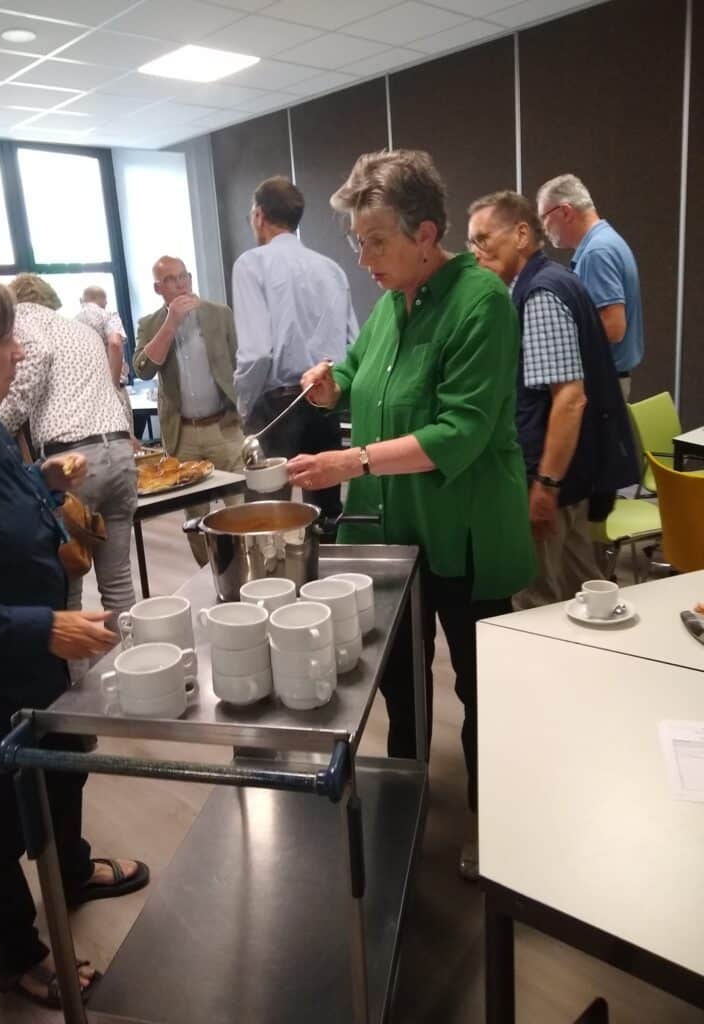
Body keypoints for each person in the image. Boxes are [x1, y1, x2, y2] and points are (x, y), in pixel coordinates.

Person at [286, 150, 536, 879]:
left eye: (377, 242)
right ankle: (407, 801)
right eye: (357, 242)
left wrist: (353, 462)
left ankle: (499, 822)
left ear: (426, 235)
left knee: (479, 683)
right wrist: (331, 382)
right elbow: (363, 369)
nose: (364, 258)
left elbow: (461, 430)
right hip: (395, 534)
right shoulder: (395, 300)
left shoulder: (480, 301)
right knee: (400, 676)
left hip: (465, 533)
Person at [0, 268, 148, 1008]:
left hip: (30, 661)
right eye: (4, 340)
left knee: (63, 763)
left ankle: (71, 867)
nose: (19, 355)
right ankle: (18, 952)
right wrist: (44, 625)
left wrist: (45, 479)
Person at [467, 191, 637, 608]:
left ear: (522, 234)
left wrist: (544, 485)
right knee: (583, 581)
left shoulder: (540, 295)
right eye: (471, 242)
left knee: (535, 597)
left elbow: (568, 400)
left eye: (483, 239)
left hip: (552, 474)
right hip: (573, 472)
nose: (474, 253)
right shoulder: (558, 280)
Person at [0, 274, 137, 664]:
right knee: (118, 581)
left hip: (72, 461)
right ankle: (134, 672)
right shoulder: (82, 329)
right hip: (119, 451)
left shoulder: (24, 318)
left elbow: (36, 357)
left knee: (68, 585)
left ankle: (81, 690)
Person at [233, 176, 358, 519]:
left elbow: (257, 353)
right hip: (324, 399)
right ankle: (329, 572)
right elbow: (353, 344)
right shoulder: (332, 269)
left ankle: (278, 573)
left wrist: (244, 406)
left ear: (258, 215)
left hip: (276, 404)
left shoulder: (251, 263)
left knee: (267, 515)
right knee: (327, 513)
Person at [133, 256, 244, 566]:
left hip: (224, 426)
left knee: (239, 505)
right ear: (158, 288)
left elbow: (241, 363)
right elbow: (142, 369)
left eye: (184, 276)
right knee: (195, 516)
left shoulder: (219, 315)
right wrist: (171, 323)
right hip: (183, 433)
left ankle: (247, 570)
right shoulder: (150, 324)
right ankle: (208, 572)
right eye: (171, 279)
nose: (181, 284)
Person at [536, 173, 644, 399]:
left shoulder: (597, 252)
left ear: (565, 212)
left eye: (543, 217)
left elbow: (613, 328)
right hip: (610, 378)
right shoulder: (606, 241)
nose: (543, 228)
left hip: (602, 382)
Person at [74, 285, 134, 435]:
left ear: (82, 300)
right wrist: (113, 385)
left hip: (87, 393)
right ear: (104, 301)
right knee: (124, 440)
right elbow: (115, 344)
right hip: (111, 387)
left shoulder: (72, 322)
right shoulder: (108, 315)